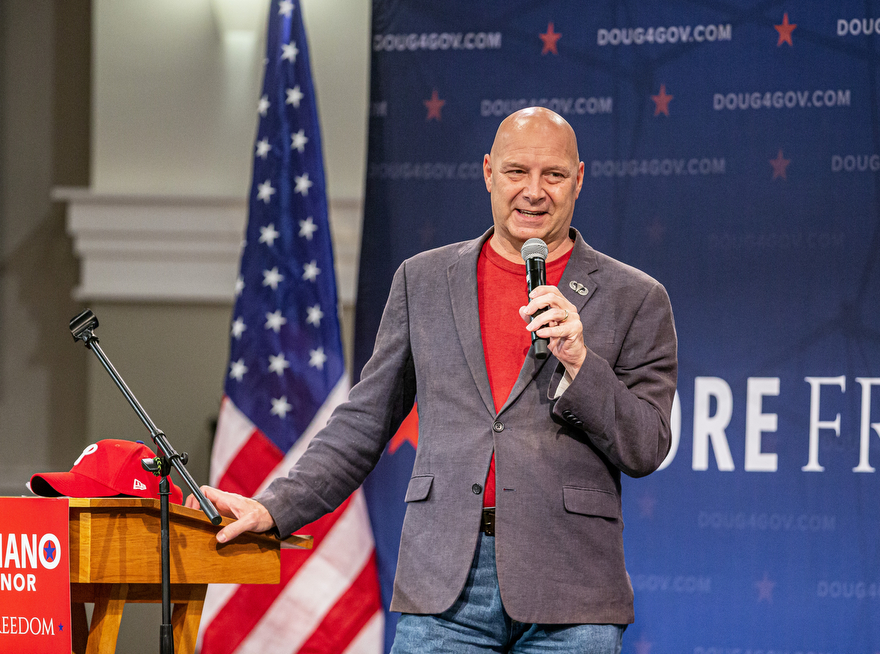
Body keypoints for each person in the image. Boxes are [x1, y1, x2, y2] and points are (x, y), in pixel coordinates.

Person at [194, 107, 677, 653]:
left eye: (554, 175)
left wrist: (581, 363)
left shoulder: (636, 297)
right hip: (444, 591)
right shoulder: (422, 280)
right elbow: (363, 423)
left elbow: (647, 444)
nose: (534, 191)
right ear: (488, 172)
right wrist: (275, 507)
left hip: (571, 592)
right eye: (517, 172)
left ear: (579, 179)